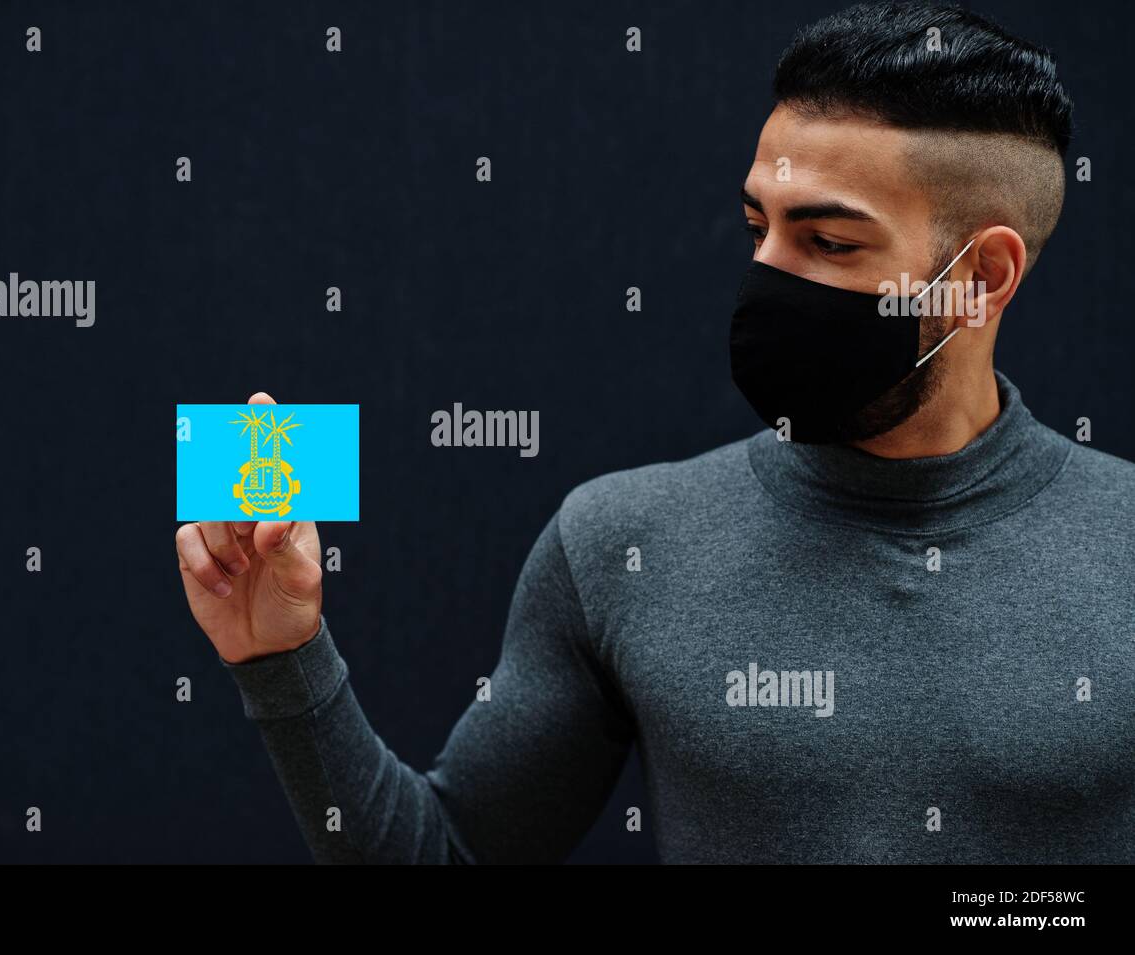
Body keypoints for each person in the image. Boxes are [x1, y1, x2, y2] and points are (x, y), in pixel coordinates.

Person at [176, 1, 1135, 863]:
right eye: (757, 227)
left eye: (828, 242)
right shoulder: (622, 541)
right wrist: (283, 654)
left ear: (983, 278)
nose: (768, 274)